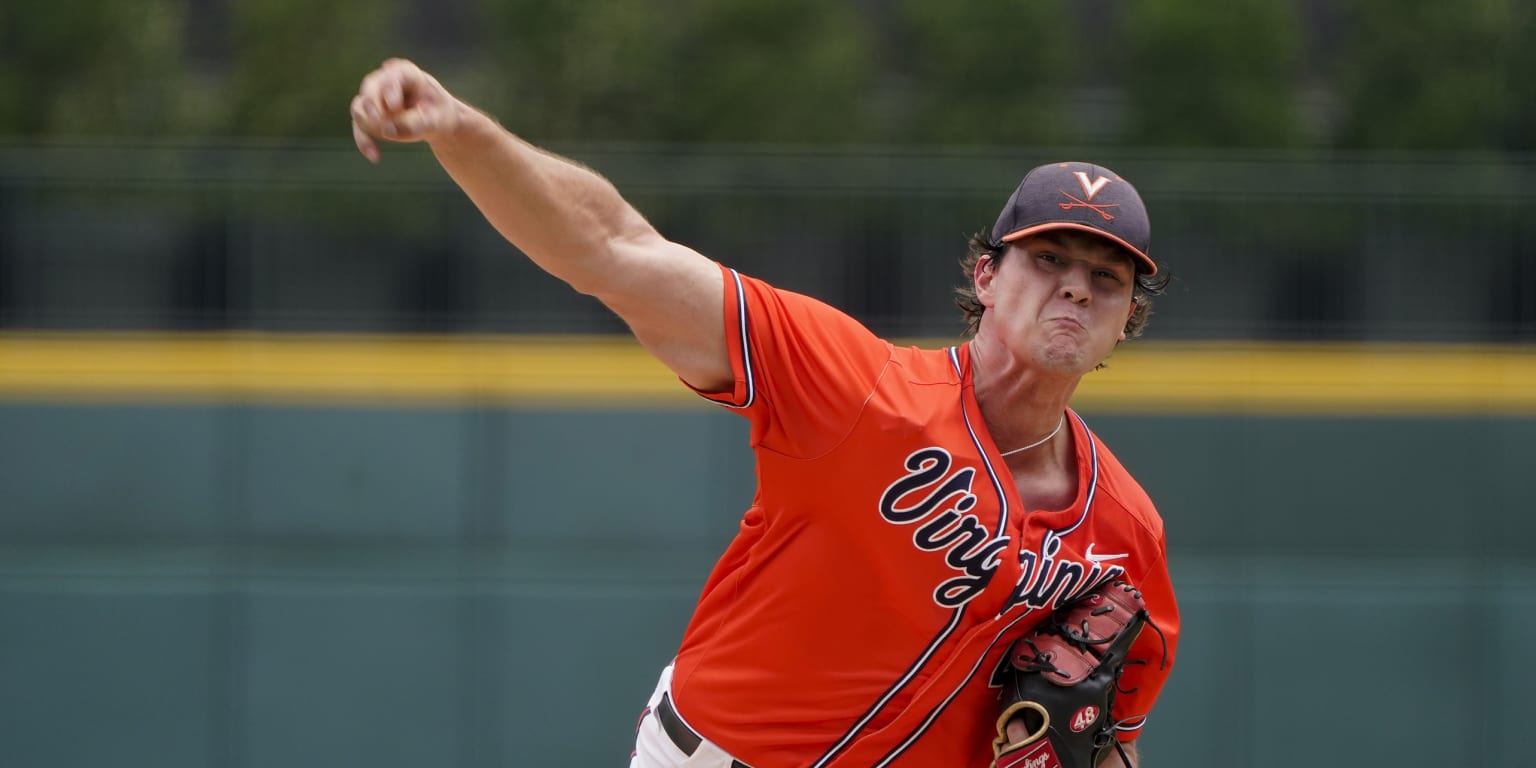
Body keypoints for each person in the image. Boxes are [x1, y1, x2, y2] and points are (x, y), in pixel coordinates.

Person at [350, 58, 1179, 768]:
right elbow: (614, 249)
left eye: (1108, 277)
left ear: (1127, 318)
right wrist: (462, 131)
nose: (1076, 284)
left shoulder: (1125, 531)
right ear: (988, 276)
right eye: (1049, 257)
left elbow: (1110, 738)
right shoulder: (855, 385)